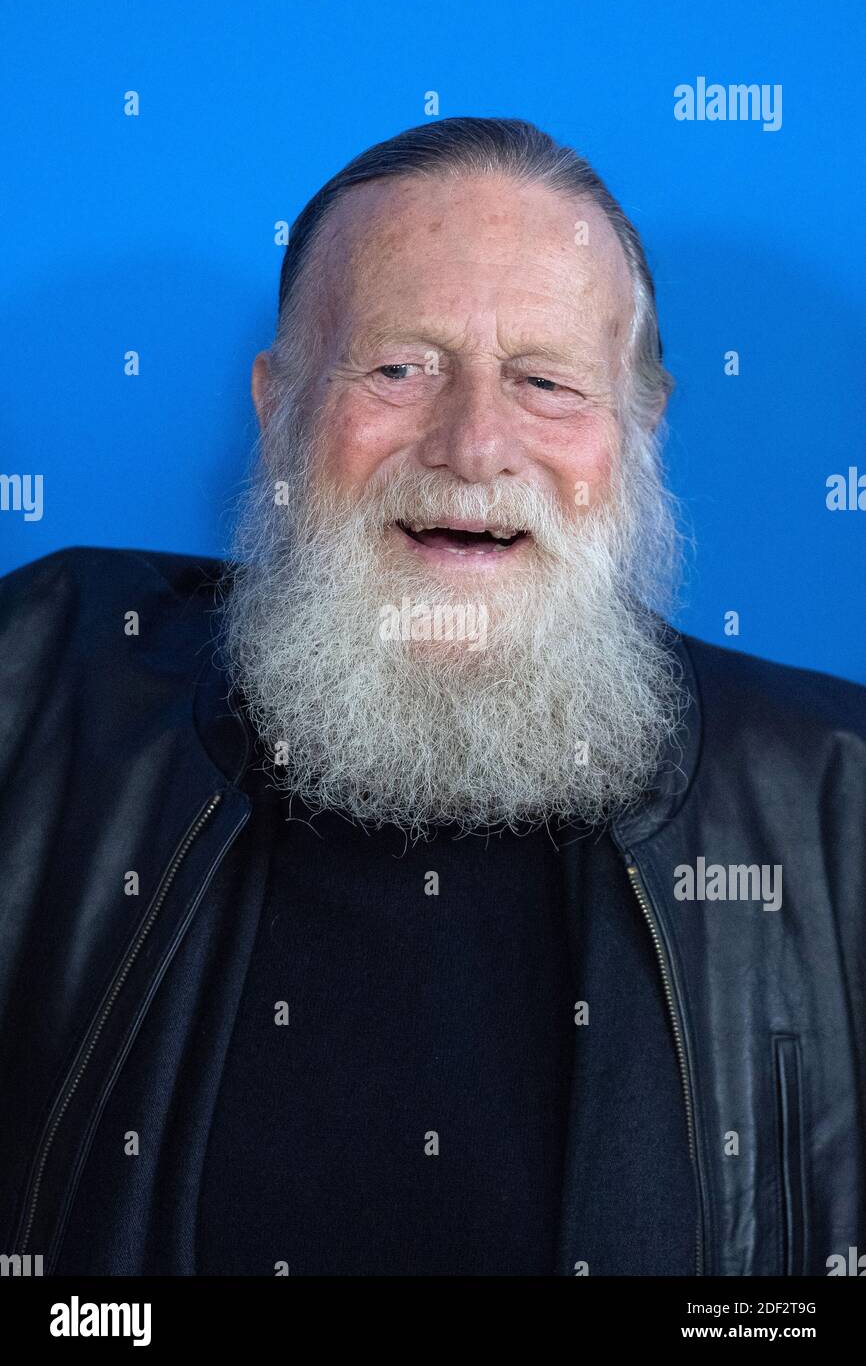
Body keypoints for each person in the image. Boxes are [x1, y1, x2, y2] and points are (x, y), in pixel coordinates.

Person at [1, 117, 863, 1278]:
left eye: (546, 380)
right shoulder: (41, 681)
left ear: (641, 423)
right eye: (399, 367)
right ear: (279, 404)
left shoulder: (836, 803)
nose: (473, 445)